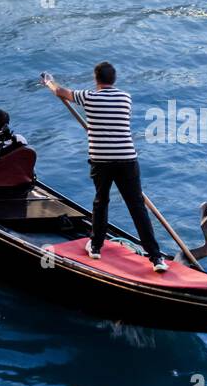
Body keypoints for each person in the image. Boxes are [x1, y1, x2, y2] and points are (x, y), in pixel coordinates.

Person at [43, 62, 167, 272]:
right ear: (114, 79)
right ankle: (156, 258)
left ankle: (96, 246)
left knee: (101, 201)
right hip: (127, 158)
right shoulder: (126, 98)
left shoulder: (89, 97)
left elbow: (59, 91)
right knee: (137, 207)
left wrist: (48, 80)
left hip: (101, 160)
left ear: (95, 79)